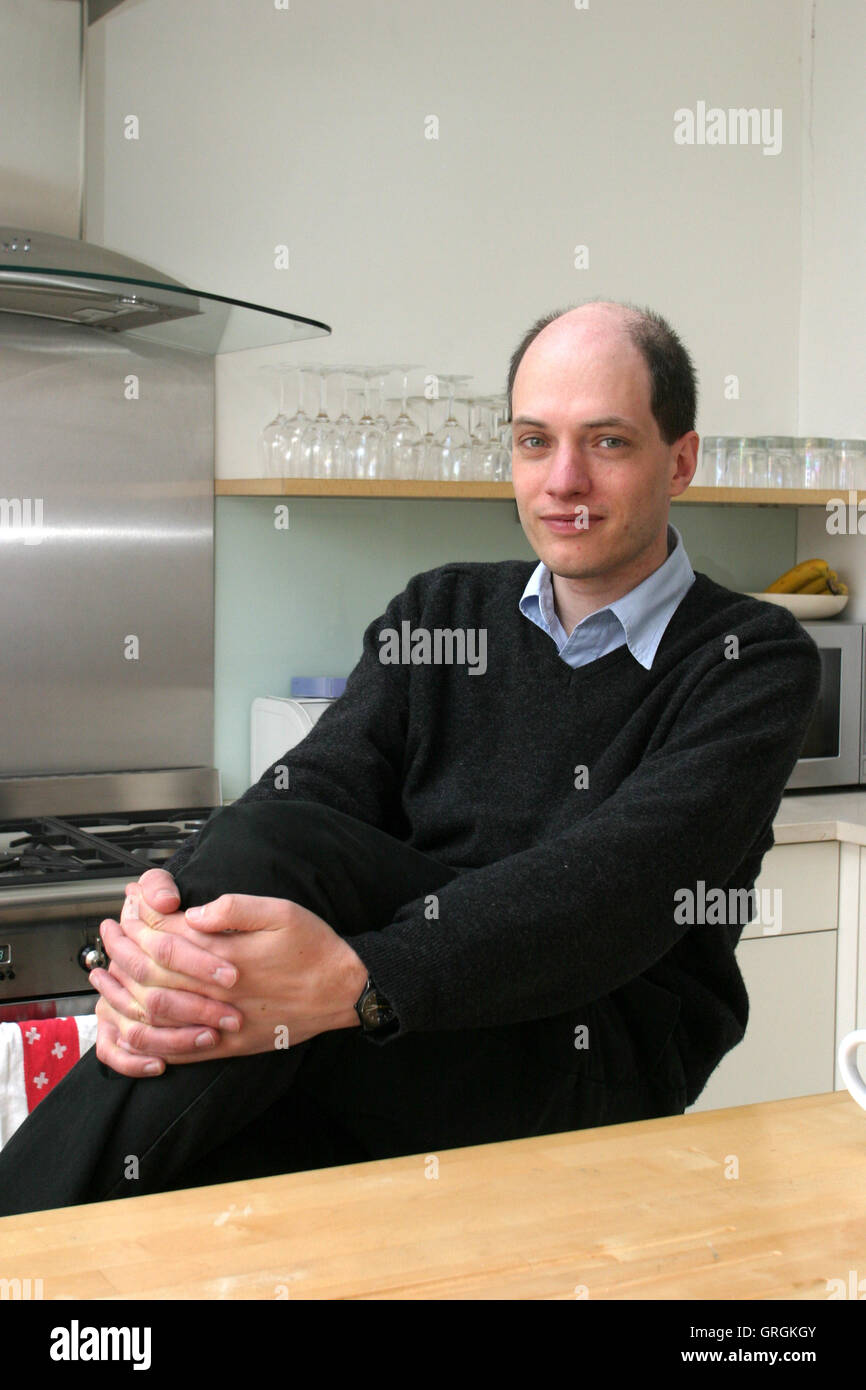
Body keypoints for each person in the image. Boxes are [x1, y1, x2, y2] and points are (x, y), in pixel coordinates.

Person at [0, 300, 821, 1216]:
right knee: (210, 1165)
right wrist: (164, 918)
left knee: (261, 911)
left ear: (681, 460)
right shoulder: (443, 612)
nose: (564, 480)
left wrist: (356, 982)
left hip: (594, 1053)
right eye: (534, 441)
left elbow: (617, 890)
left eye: (609, 443)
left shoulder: (750, 657)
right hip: (401, 1030)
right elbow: (309, 789)